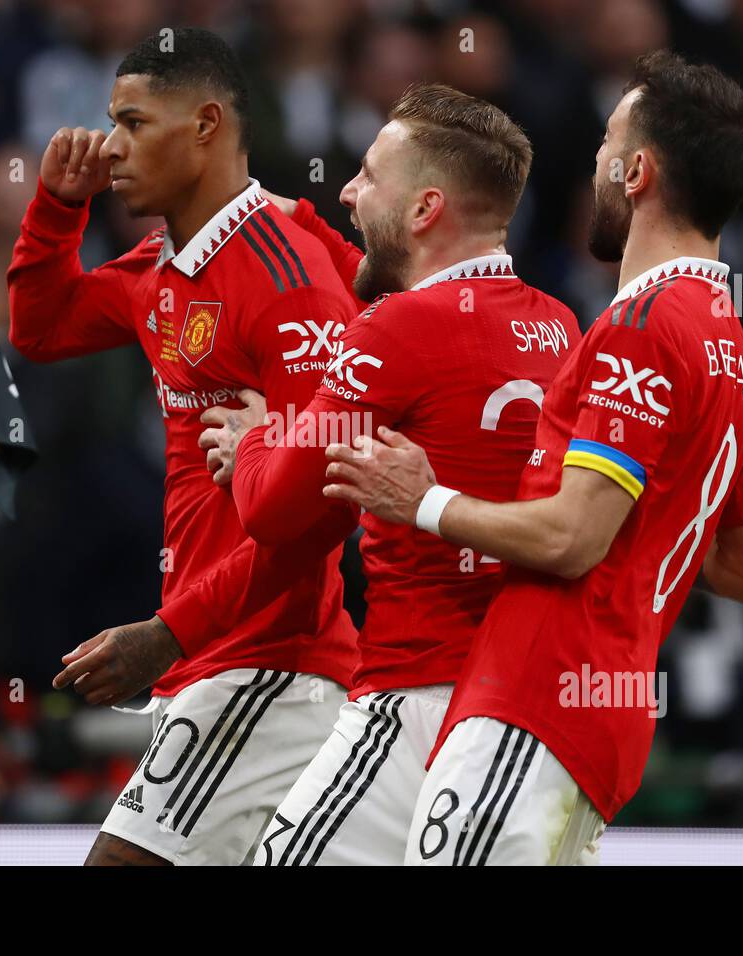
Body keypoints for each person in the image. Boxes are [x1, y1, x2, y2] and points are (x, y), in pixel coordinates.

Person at [324, 51, 743, 864]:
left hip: (535, 701)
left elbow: (573, 540)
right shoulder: (732, 352)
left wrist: (424, 500)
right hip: (606, 727)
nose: (596, 164)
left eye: (610, 144)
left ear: (638, 171)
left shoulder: (640, 327)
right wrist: (637, 514)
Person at [197, 85, 581, 865]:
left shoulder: (397, 328)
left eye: (369, 175)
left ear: (424, 209)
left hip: (414, 699)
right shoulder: (558, 323)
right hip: (523, 704)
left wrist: (258, 441)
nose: (346, 190)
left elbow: (274, 512)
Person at [6, 28, 358, 866]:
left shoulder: (291, 278)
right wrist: (58, 206)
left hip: (269, 664)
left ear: (205, 125)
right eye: (111, 122)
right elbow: (42, 326)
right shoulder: (163, 268)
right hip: (218, 659)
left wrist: (167, 633)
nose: (112, 146)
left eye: (134, 122)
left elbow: (322, 511)